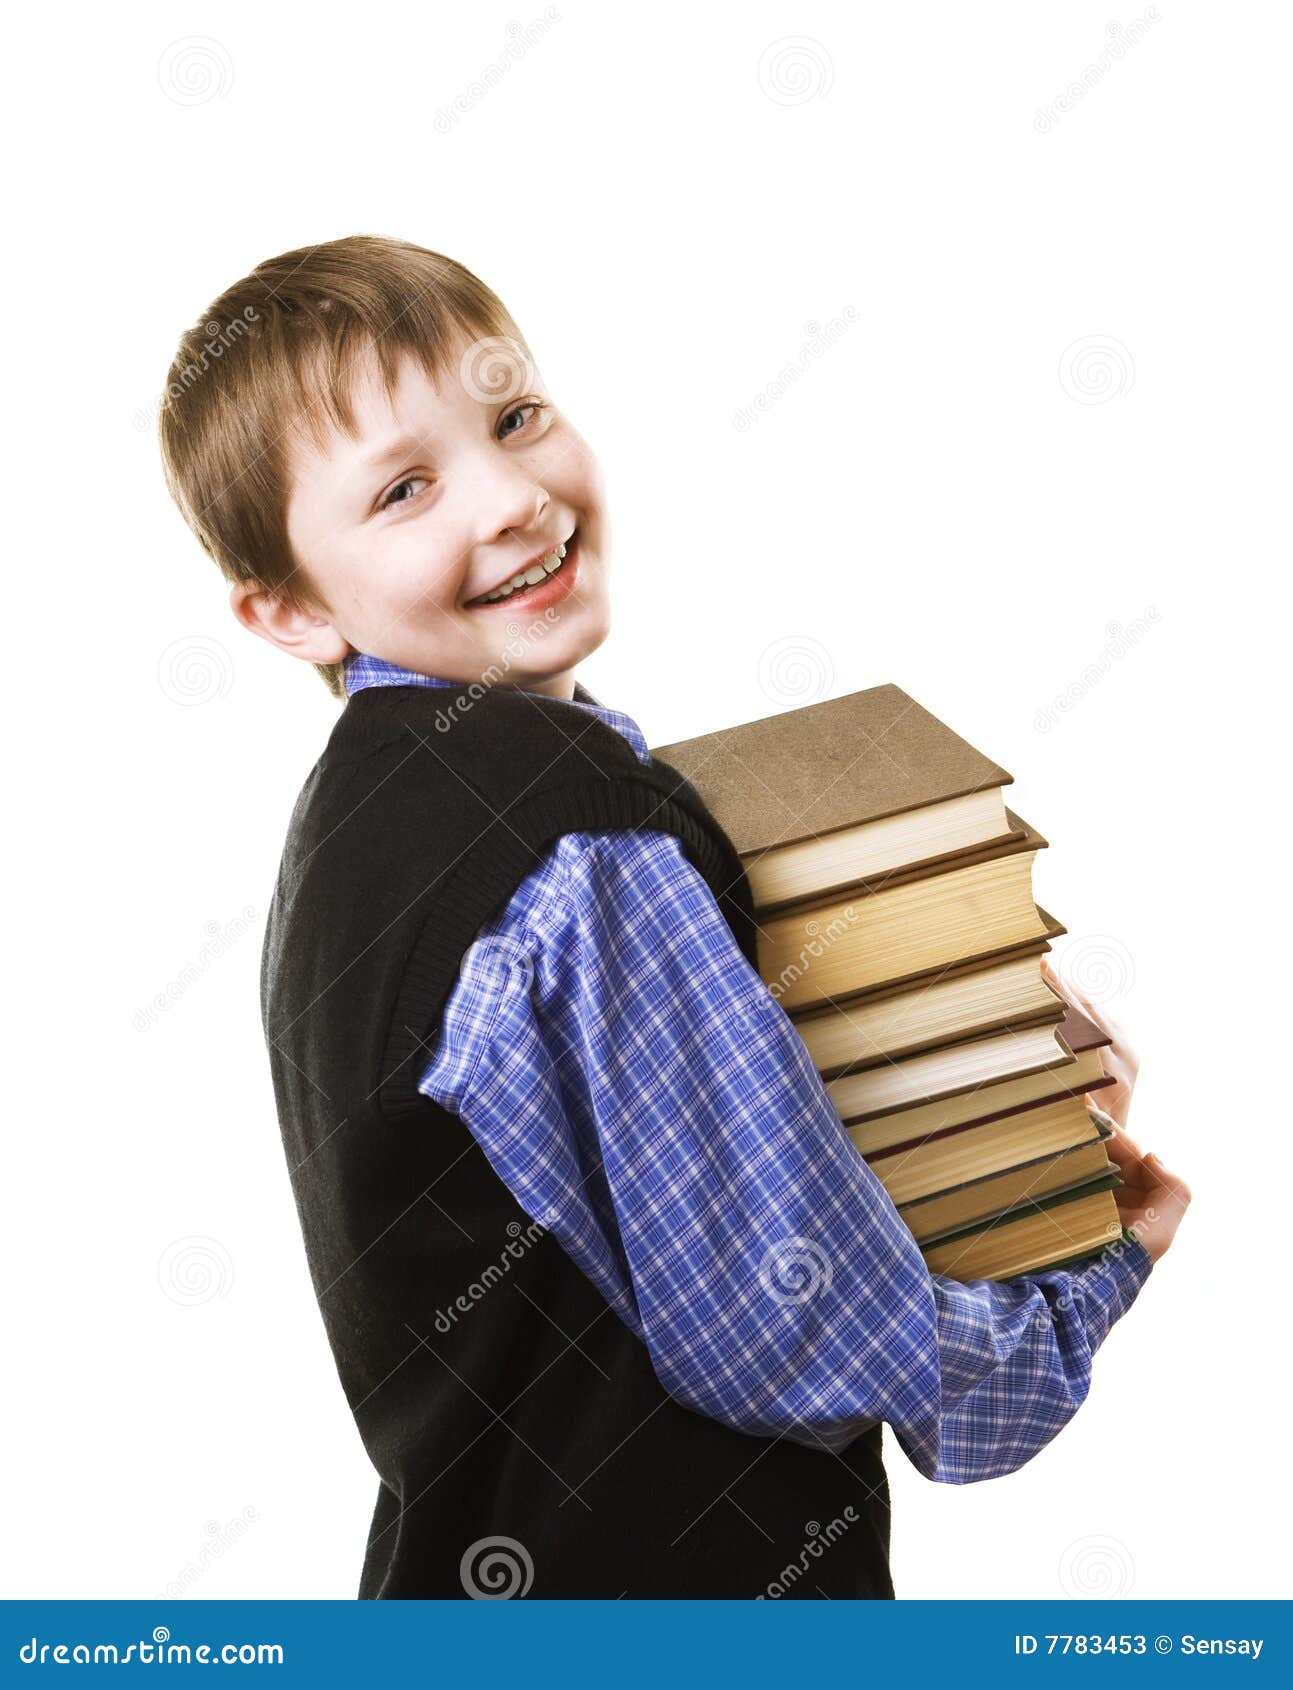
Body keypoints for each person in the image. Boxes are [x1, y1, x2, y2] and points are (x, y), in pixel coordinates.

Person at [157, 234, 1191, 1600]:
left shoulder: (342, 832)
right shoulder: (579, 824)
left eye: (513, 417)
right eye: (405, 487)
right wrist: (1090, 1261)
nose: (513, 497)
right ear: (283, 608)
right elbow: (786, 1316)